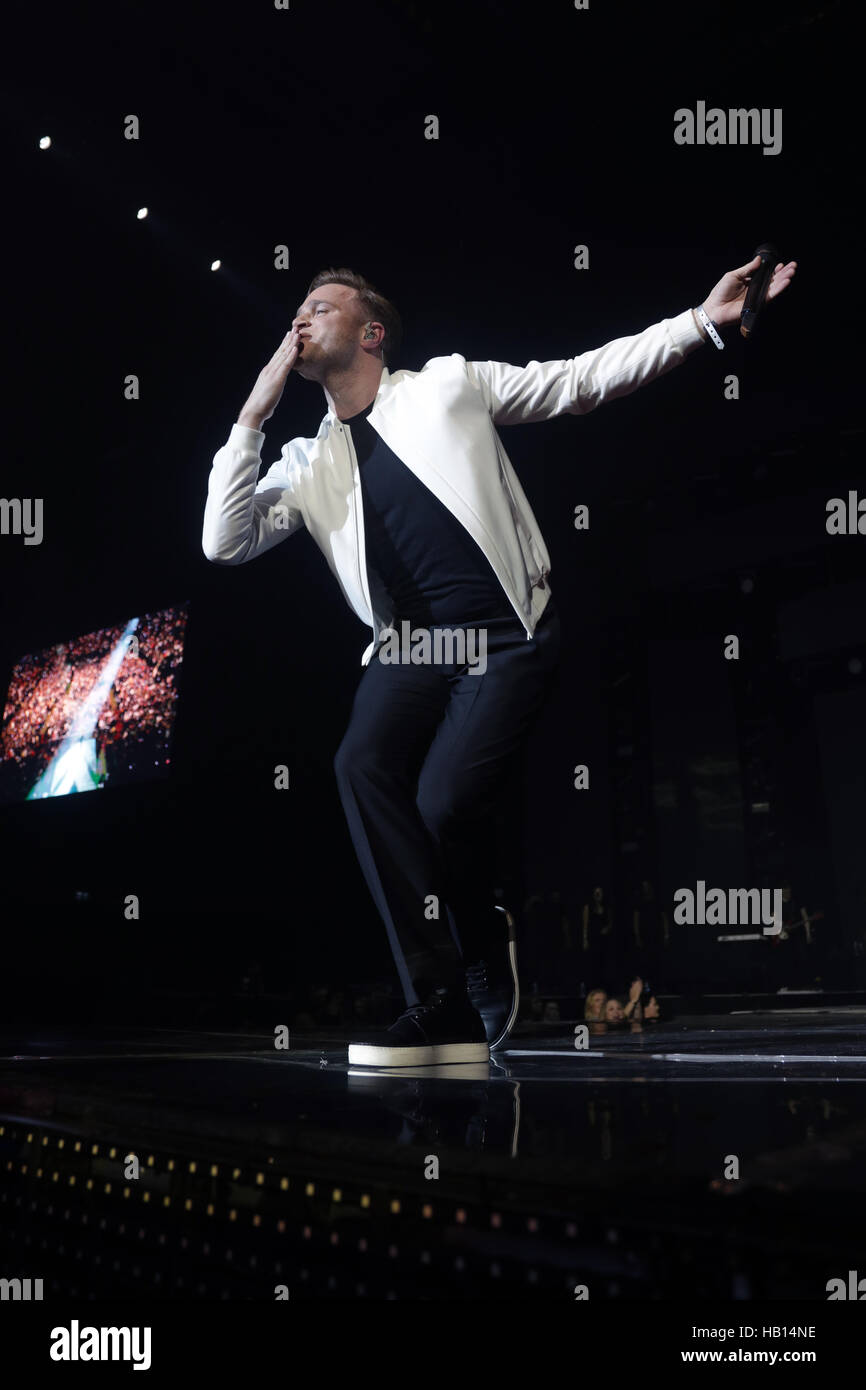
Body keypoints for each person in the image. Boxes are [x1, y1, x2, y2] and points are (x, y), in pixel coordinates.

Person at [202, 256, 797, 1068]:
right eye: (296, 309)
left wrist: (698, 321)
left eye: (321, 306)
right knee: (358, 764)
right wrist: (252, 415)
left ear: (370, 334)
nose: (300, 318)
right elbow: (223, 540)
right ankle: (438, 1001)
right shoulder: (308, 463)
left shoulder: (448, 384)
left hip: (504, 636)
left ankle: (480, 939)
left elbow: (580, 380)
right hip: (412, 648)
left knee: (443, 804)